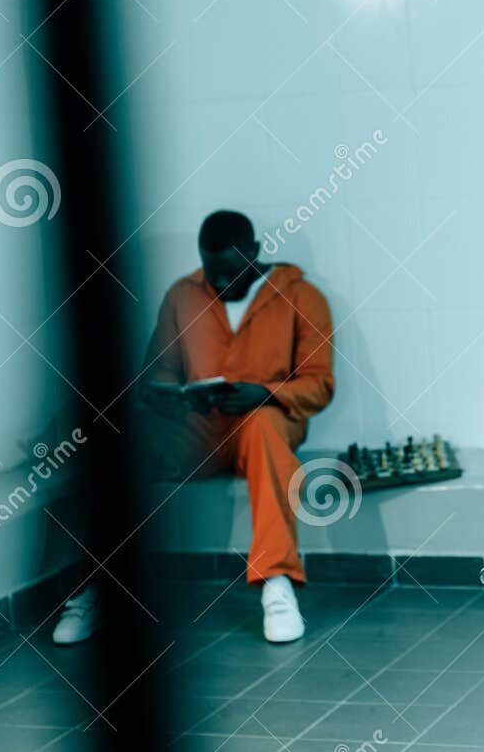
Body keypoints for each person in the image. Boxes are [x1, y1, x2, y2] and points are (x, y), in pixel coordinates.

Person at [51, 210, 334, 647]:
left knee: (263, 425)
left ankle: (276, 584)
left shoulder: (301, 296)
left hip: (267, 423)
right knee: (126, 439)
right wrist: (172, 395)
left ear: (254, 252)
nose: (219, 282)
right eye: (211, 269)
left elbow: (319, 384)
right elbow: (157, 373)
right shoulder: (182, 295)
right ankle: (97, 586)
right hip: (199, 430)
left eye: (230, 270)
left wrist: (264, 393)